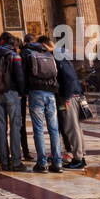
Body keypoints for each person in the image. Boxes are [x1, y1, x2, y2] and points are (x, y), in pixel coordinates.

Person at [24, 35, 63, 172]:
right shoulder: (49, 54)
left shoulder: (29, 54)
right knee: (54, 128)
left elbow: (26, 75)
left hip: (36, 93)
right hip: (51, 93)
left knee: (39, 129)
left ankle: (42, 163)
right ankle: (57, 163)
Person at [0, 33, 25, 170]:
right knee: (15, 127)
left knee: (1, 128)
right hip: (11, 93)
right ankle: (16, 162)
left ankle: (4, 161)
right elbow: (19, 76)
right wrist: (22, 92)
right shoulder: (14, 56)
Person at [56, 48, 87, 169]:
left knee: (72, 129)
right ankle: (80, 156)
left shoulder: (62, 63)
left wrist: (67, 98)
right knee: (76, 128)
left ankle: (78, 159)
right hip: (74, 96)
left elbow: (69, 80)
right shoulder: (67, 62)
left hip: (69, 98)